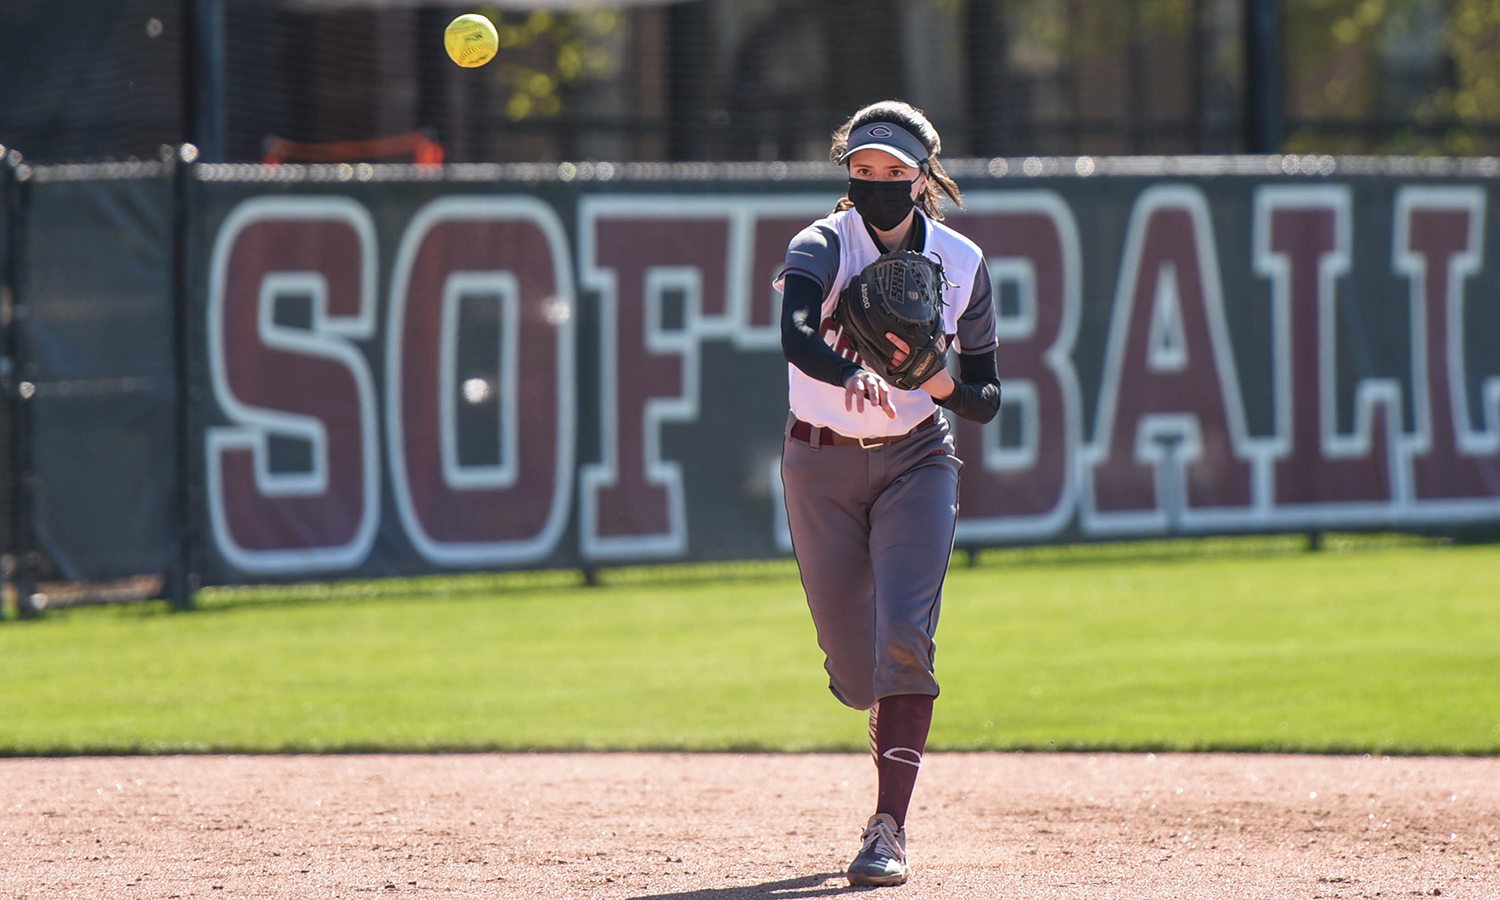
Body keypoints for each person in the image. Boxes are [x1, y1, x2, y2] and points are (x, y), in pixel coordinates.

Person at [775, 100, 1001, 887]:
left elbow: (984, 394)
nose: (874, 184)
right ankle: (874, 697)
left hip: (916, 458)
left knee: (906, 637)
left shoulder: (962, 262)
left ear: (919, 177)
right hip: (819, 464)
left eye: (891, 173)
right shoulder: (821, 243)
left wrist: (938, 378)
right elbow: (796, 333)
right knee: (858, 673)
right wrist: (850, 373)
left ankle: (887, 829)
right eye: (861, 171)